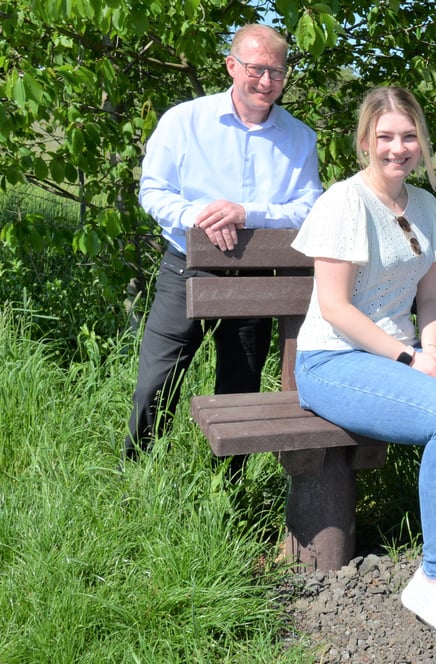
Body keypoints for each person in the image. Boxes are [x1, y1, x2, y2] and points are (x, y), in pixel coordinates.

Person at [290, 86, 436, 664]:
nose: (398, 147)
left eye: (409, 136)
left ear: (421, 143)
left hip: (406, 354)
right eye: (385, 136)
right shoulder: (345, 202)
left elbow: (433, 298)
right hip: (333, 361)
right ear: (365, 141)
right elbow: (335, 308)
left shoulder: (425, 206)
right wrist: (410, 359)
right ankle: (434, 579)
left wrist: (432, 351)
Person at [125, 24, 322, 458]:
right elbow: (153, 190)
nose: (266, 81)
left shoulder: (300, 138)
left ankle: (230, 488)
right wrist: (200, 217)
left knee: (242, 390)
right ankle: (137, 474)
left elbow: (309, 208)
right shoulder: (184, 121)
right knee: (155, 383)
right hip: (187, 267)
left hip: (257, 277)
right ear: (231, 65)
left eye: (277, 72)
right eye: (256, 69)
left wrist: (247, 212)